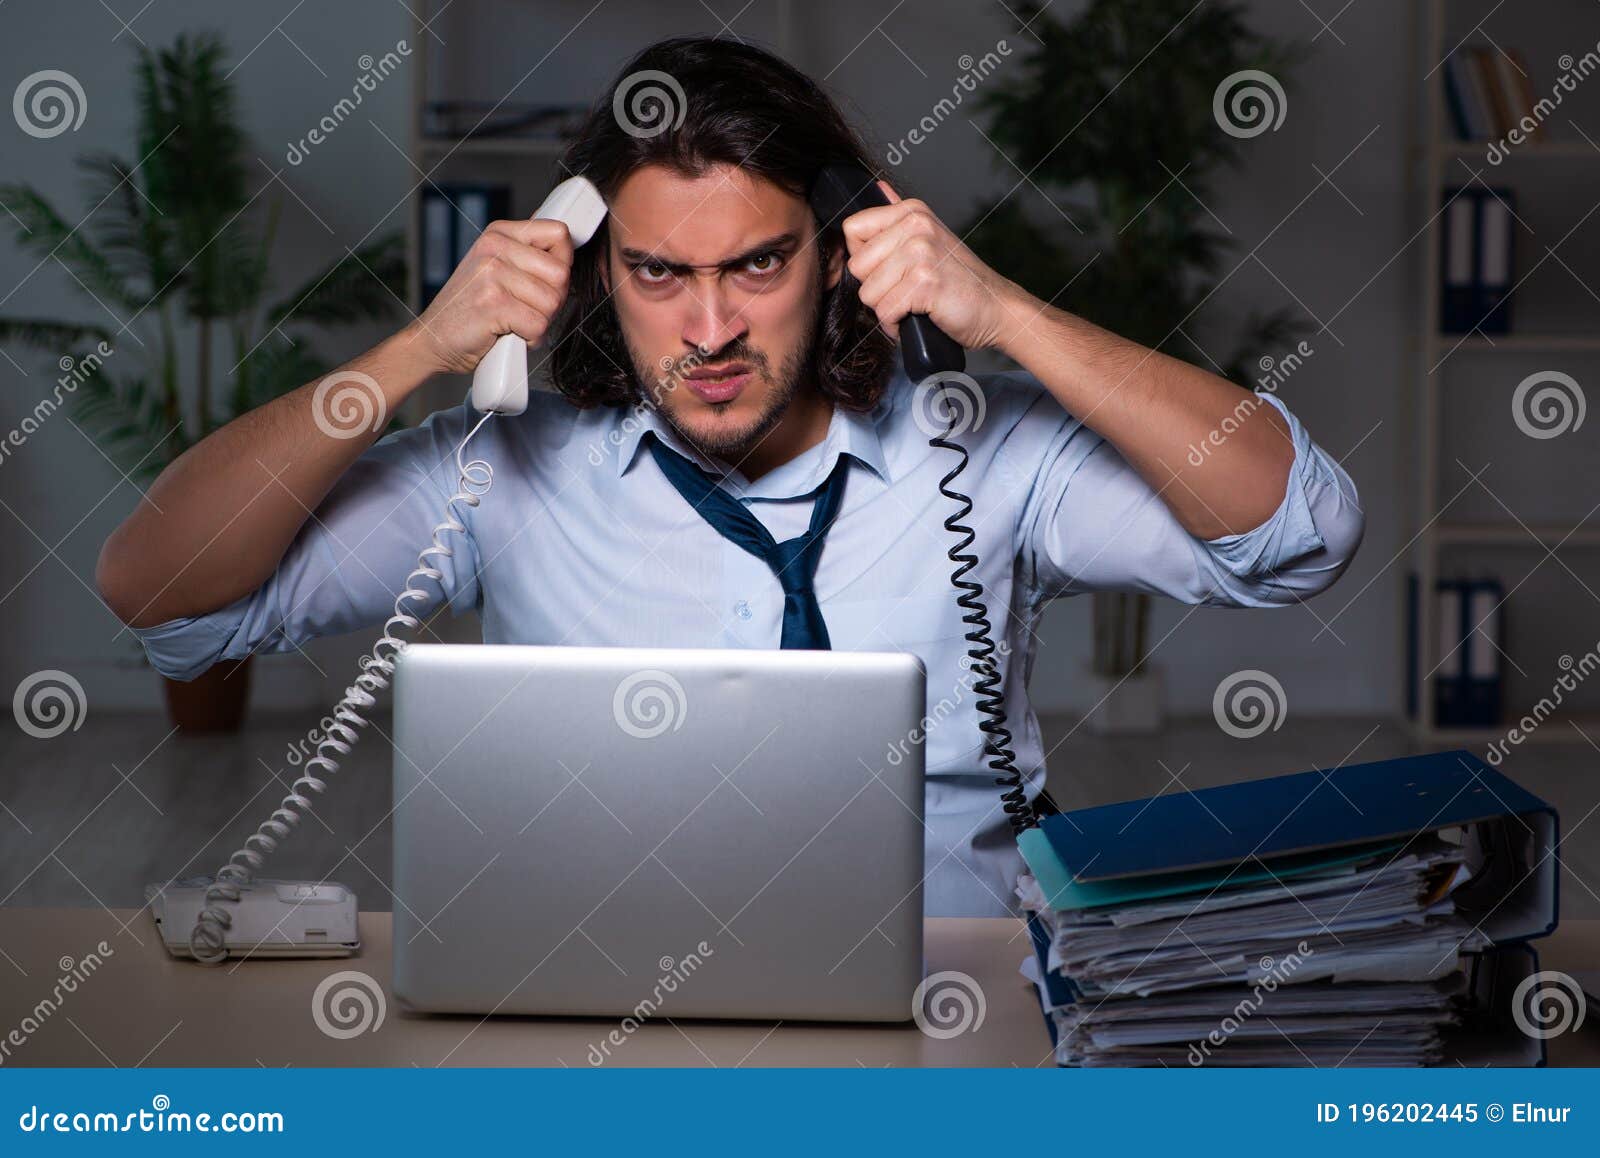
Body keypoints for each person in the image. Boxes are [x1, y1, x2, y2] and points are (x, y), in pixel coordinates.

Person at [97, 36, 1364, 917]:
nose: (708, 331)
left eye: (757, 266)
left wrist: (1010, 315)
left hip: (955, 1008)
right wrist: (420, 348)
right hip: (603, 1025)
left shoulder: (987, 451)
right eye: (659, 274)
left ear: (840, 253)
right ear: (595, 269)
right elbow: (161, 594)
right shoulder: (502, 474)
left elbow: (1300, 530)